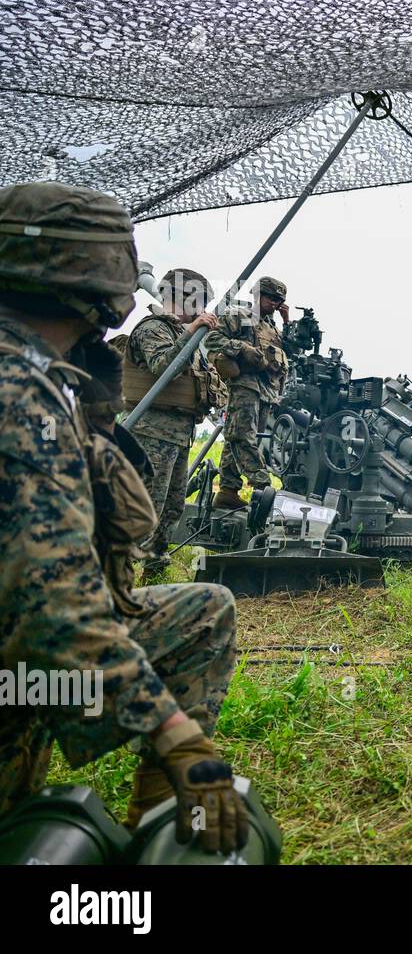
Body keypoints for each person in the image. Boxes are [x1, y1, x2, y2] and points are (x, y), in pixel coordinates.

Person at [0, 181, 247, 851]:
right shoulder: (20, 396)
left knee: (201, 612)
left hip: (22, 654)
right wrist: (178, 736)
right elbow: (56, 610)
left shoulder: (50, 372)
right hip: (22, 662)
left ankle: (160, 833)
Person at [124, 267, 225, 574]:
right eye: (198, 301)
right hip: (151, 433)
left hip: (179, 435)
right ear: (181, 297)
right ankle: (116, 573)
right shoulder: (152, 328)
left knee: (172, 508)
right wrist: (193, 331)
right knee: (145, 509)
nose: (202, 309)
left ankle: (154, 568)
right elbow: (161, 365)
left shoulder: (186, 335)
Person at [205, 276, 289, 510]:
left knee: (238, 439)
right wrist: (241, 348)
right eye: (271, 298)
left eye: (279, 300)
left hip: (266, 391)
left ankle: (227, 491)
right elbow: (211, 337)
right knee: (242, 436)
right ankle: (263, 486)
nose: (275, 303)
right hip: (244, 384)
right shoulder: (239, 316)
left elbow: (288, 353)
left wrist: (287, 321)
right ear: (258, 295)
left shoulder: (272, 327)